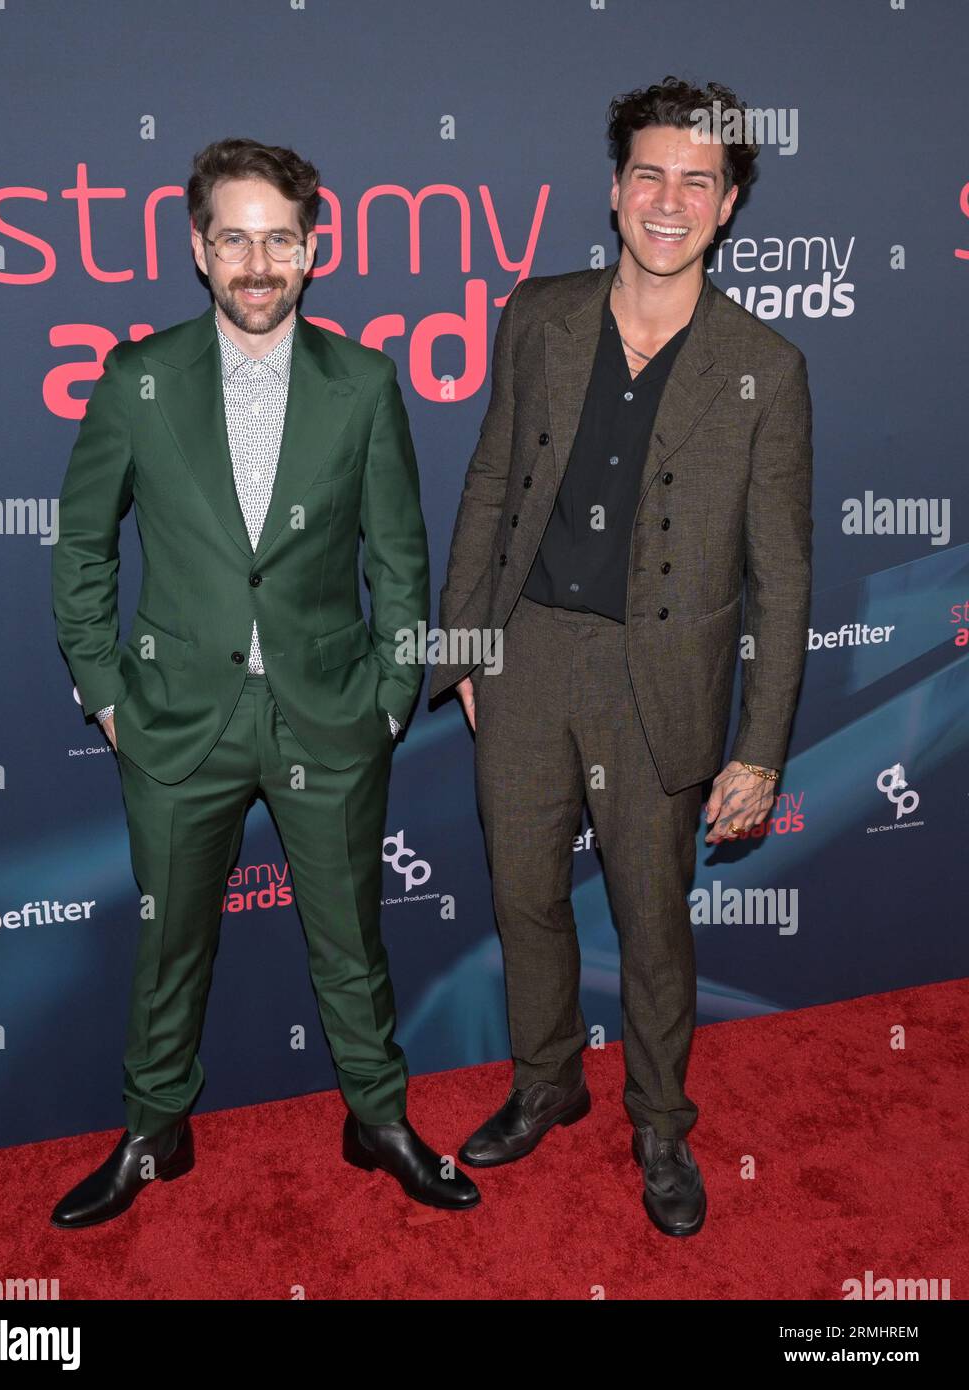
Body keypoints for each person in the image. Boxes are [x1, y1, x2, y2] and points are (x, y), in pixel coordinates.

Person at [50, 137, 479, 1226]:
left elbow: (398, 555)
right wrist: (104, 691)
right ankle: (154, 1131)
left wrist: (390, 696)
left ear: (310, 248)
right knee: (166, 945)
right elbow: (81, 547)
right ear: (198, 247)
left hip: (329, 712)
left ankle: (374, 1117)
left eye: (277, 238)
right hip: (174, 719)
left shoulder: (364, 382)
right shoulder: (136, 378)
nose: (255, 261)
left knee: (351, 940)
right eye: (232, 237)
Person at [429, 78, 813, 1237]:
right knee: (522, 894)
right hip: (528, 654)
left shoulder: (765, 367)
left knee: (652, 918)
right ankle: (546, 1080)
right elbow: (490, 483)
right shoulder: (538, 314)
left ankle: (658, 1120)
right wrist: (462, 650)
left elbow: (781, 574)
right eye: (648, 173)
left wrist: (759, 747)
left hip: (662, 683)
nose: (667, 199)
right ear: (613, 188)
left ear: (728, 204)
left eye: (697, 181)